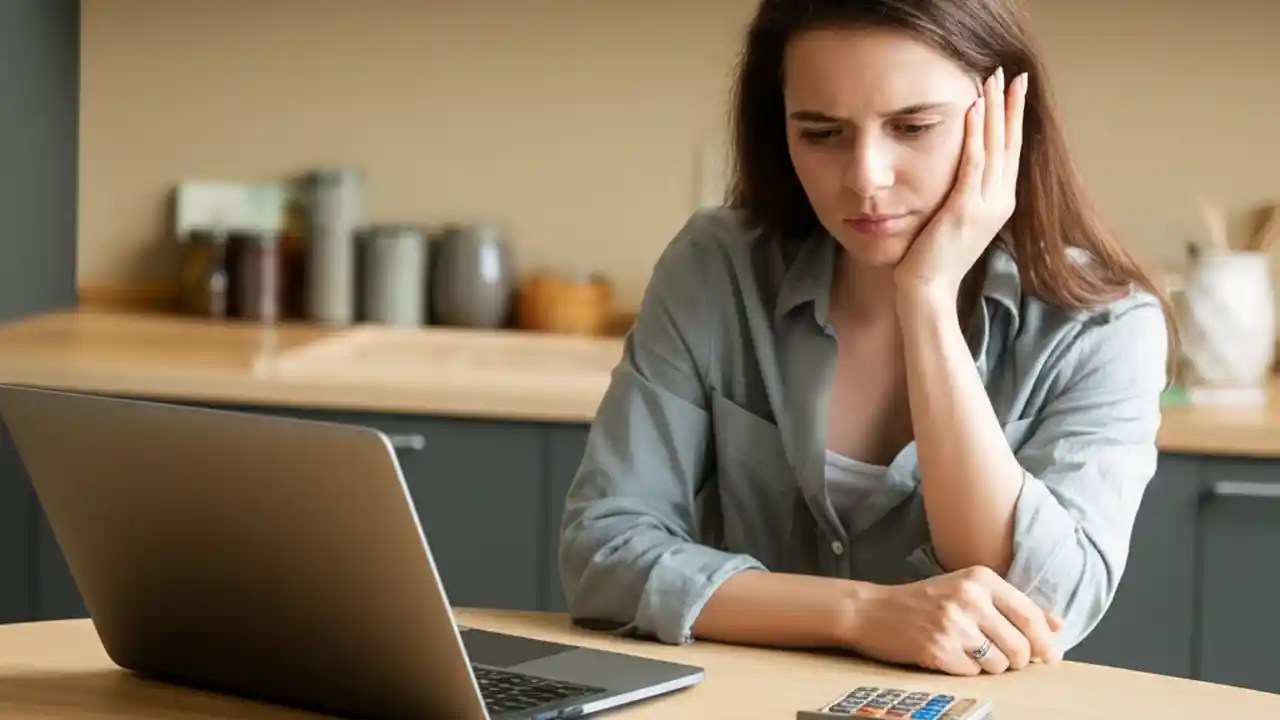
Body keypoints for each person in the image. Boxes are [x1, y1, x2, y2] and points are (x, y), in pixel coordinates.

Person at [558, 0, 1174, 677]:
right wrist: (860, 614)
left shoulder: (1104, 324)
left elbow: (1038, 607)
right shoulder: (716, 268)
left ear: (1006, 117)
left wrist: (927, 298)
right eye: (822, 133)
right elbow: (603, 553)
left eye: (913, 127)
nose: (866, 178)